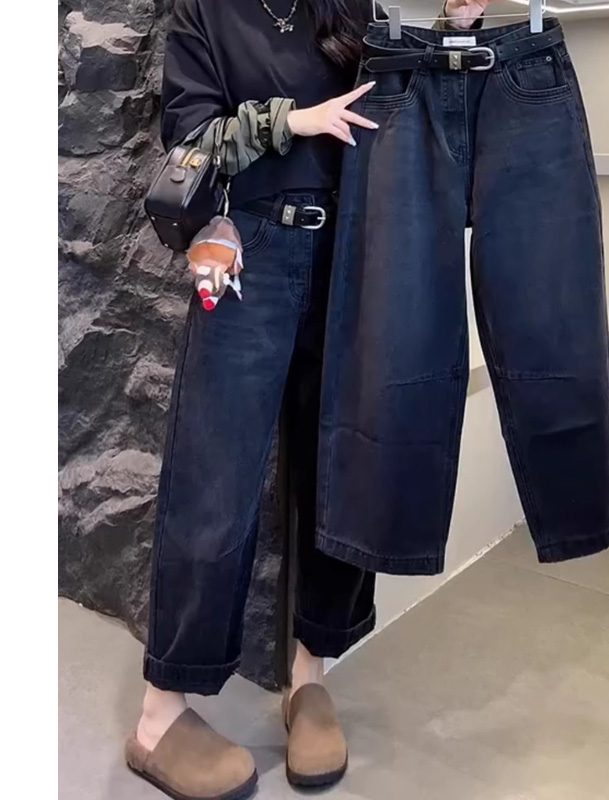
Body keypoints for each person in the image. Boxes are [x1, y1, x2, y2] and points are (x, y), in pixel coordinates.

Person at [125, 1, 488, 798]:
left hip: (359, 250)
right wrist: (294, 120)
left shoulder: (351, 6)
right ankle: (159, 715)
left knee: (345, 463)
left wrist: (454, 32)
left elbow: (408, 100)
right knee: (214, 478)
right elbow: (189, 141)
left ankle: (309, 674)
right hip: (251, 251)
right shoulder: (205, 12)